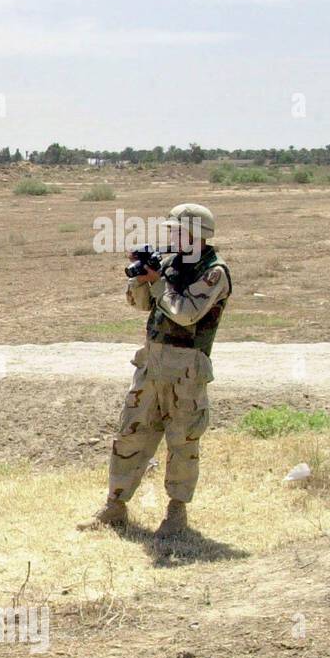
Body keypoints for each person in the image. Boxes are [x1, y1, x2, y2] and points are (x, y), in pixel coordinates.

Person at [79, 203, 232, 539]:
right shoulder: (170, 264)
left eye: (177, 230)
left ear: (196, 235)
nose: (170, 236)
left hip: (187, 369)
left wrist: (159, 281)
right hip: (151, 364)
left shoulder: (214, 272)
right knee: (131, 433)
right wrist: (141, 277)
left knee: (183, 441)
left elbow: (186, 313)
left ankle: (177, 512)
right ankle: (115, 505)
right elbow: (142, 305)